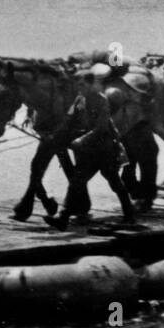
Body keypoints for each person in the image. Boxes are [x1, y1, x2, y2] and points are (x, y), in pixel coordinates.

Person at [50, 65, 136, 229]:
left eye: (81, 84)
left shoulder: (100, 99)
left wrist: (81, 140)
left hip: (105, 150)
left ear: (90, 84)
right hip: (89, 152)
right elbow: (69, 120)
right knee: (76, 182)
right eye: (77, 84)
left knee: (114, 182)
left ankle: (129, 214)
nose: (78, 87)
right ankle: (63, 218)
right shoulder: (79, 99)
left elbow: (101, 128)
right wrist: (55, 135)